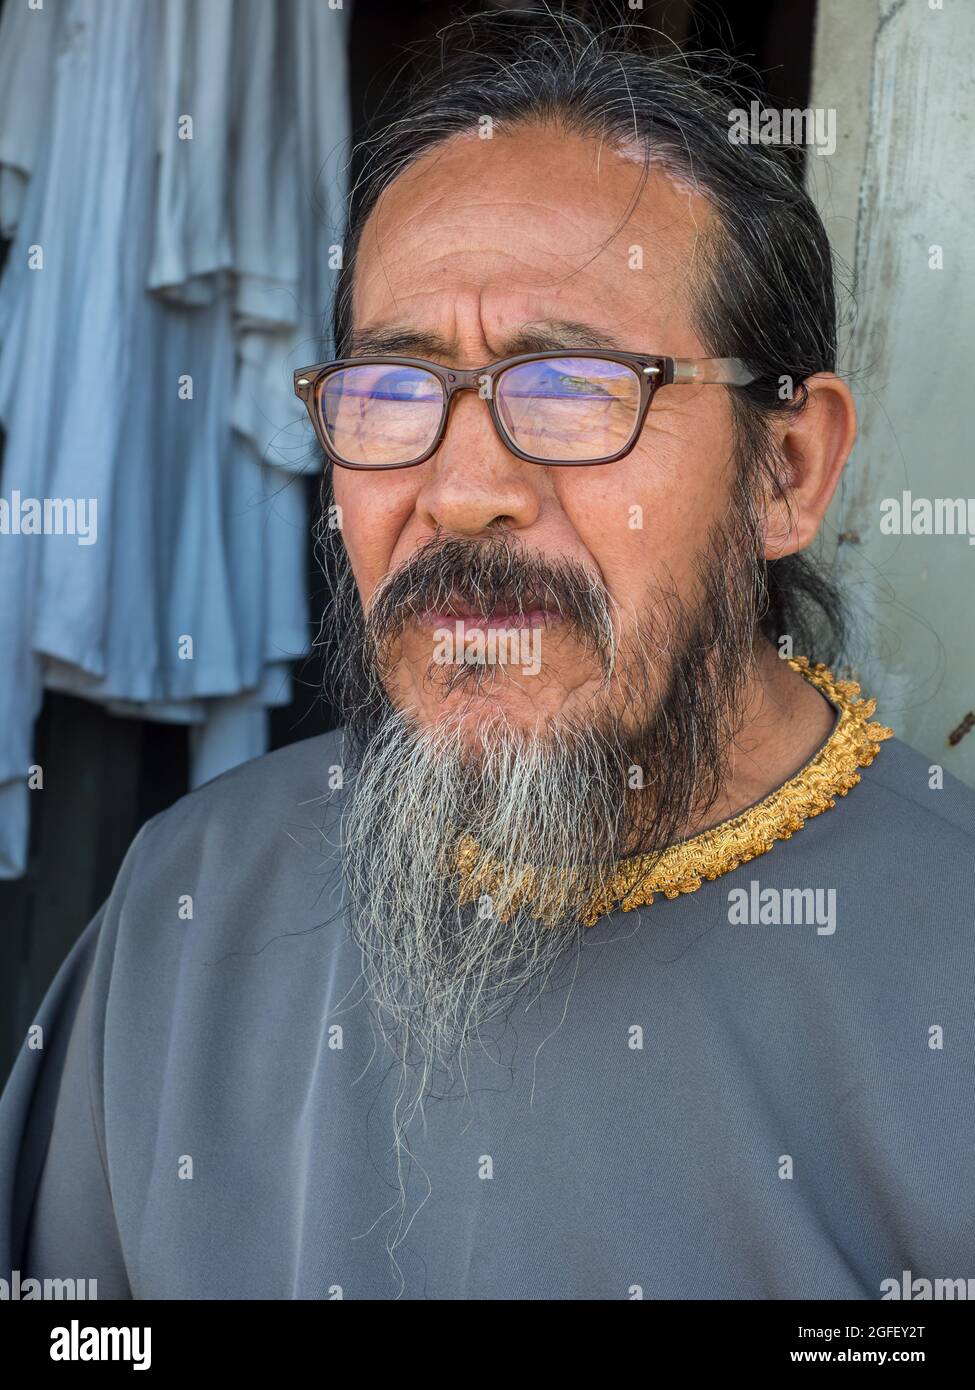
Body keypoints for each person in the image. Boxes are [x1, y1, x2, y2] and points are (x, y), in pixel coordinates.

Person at [2, 14, 973, 1301]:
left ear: (785, 470)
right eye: (391, 393)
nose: (461, 493)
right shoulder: (191, 898)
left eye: (572, 387)